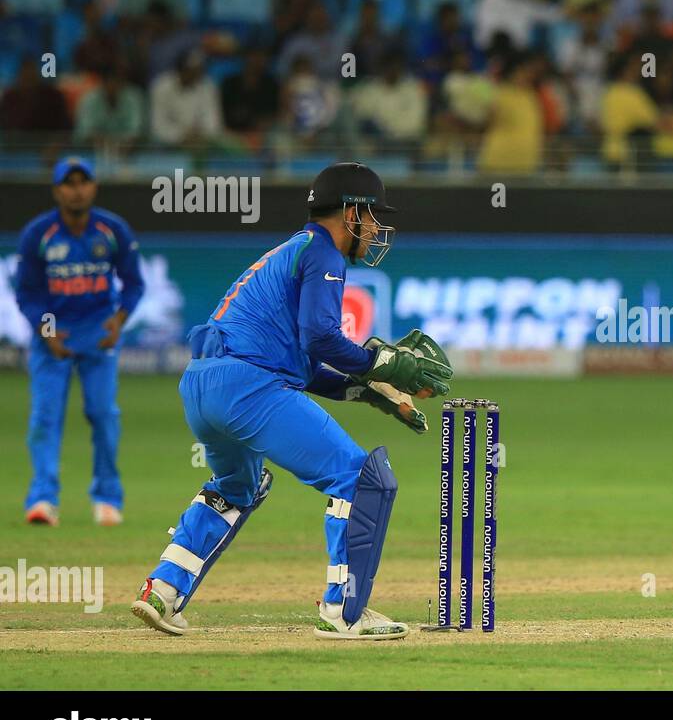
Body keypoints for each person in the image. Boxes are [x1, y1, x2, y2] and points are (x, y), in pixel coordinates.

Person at [129, 163, 454, 640]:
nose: (377, 229)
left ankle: (163, 590)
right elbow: (322, 337)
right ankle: (345, 610)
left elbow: (302, 365)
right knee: (362, 478)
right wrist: (381, 362)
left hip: (203, 386)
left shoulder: (291, 250)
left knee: (238, 487)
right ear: (350, 212)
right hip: (248, 389)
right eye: (372, 216)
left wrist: (366, 388)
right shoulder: (324, 254)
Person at [14, 158, 144, 527]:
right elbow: (28, 292)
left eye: (82, 182)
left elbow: (134, 283)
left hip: (97, 336)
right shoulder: (38, 234)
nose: (76, 189)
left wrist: (118, 321)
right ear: (57, 191)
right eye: (68, 183)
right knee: (45, 417)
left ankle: (107, 498)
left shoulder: (112, 229)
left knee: (103, 415)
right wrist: (49, 330)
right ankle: (42, 499)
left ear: (94, 187)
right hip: (52, 335)